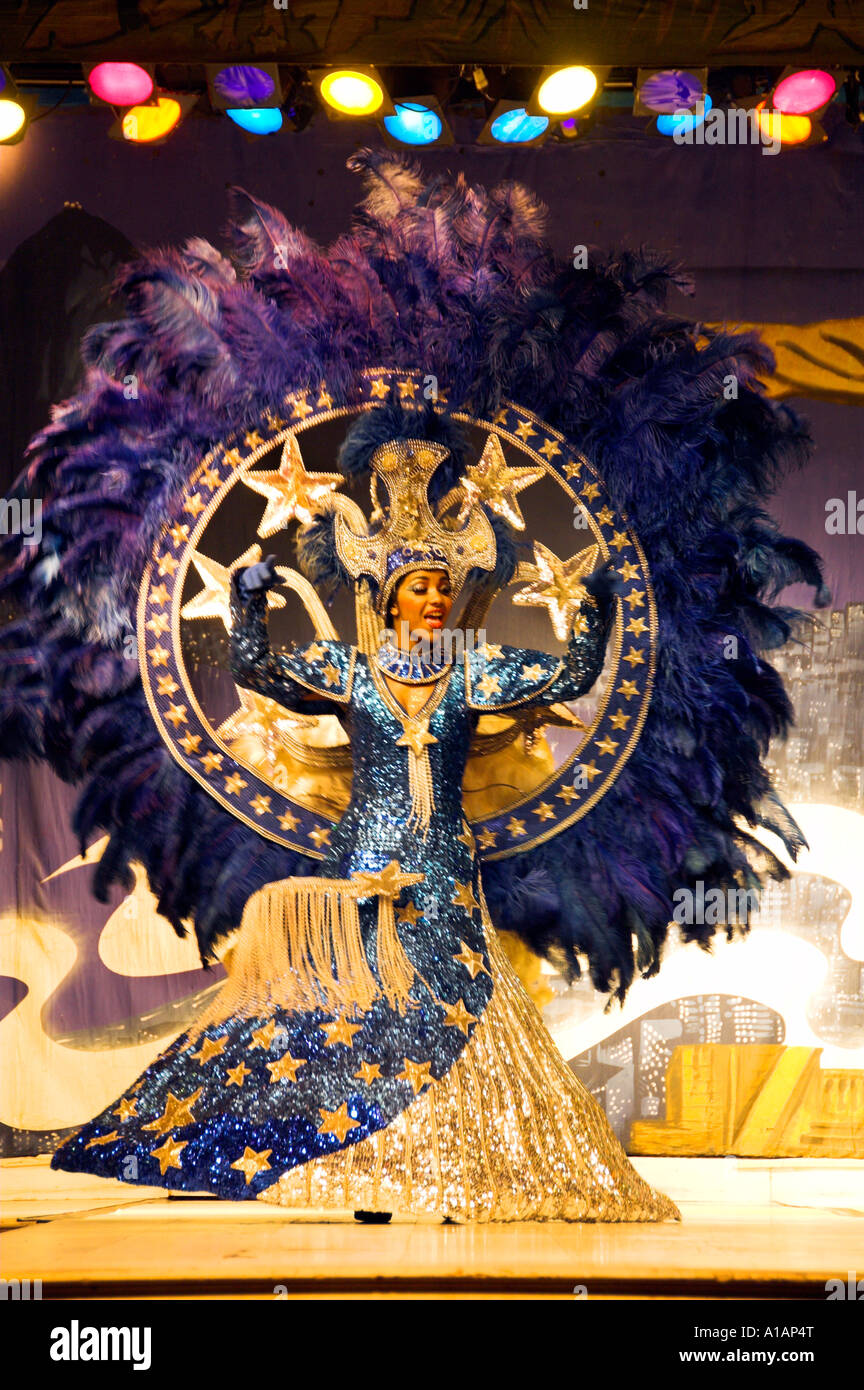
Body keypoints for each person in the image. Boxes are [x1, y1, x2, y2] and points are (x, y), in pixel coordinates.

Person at [51, 437, 679, 1223]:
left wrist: (598, 611)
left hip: (445, 868)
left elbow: (571, 676)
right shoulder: (349, 673)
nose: (437, 600)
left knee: (448, 1007)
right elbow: (260, 672)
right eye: (421, 588)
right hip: (364, 865)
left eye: (443, 588)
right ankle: (350, 1156)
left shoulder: (473, 672)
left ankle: (430, 1159)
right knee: (355, 1017)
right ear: (389, 598)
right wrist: (249, 606)